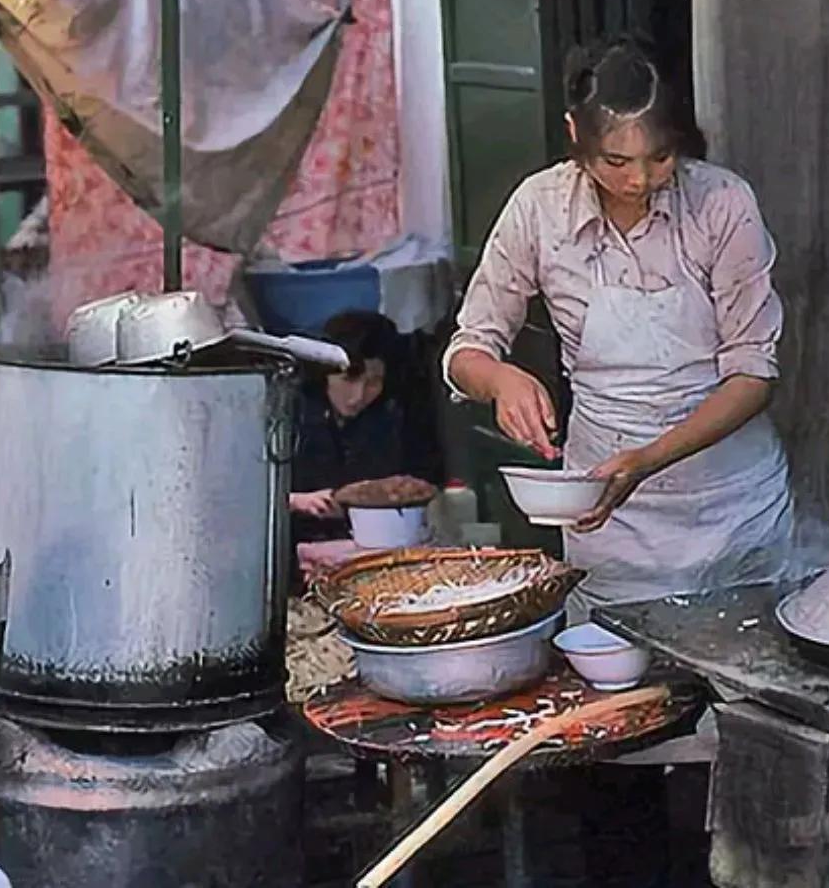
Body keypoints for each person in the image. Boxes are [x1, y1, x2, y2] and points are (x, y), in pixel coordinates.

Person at [445, 32, 793, 620]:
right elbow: (466, 349)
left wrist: (650, 458)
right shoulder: (539, 208)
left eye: (660, 157)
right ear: (575, 135)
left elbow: (754, 372)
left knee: (743, 685)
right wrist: (500, 381)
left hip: (732, 510)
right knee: (625, 694)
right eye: (616, 162)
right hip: (609, 517)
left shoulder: (723, 204)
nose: (640, 180)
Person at [289, 310, 441, 544]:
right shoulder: (288, 414)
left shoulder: (396, 417)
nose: (358, 396)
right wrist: (295, 501)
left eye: (373, 382)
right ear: (325, 375)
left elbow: (425, 479)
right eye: (349, 378)